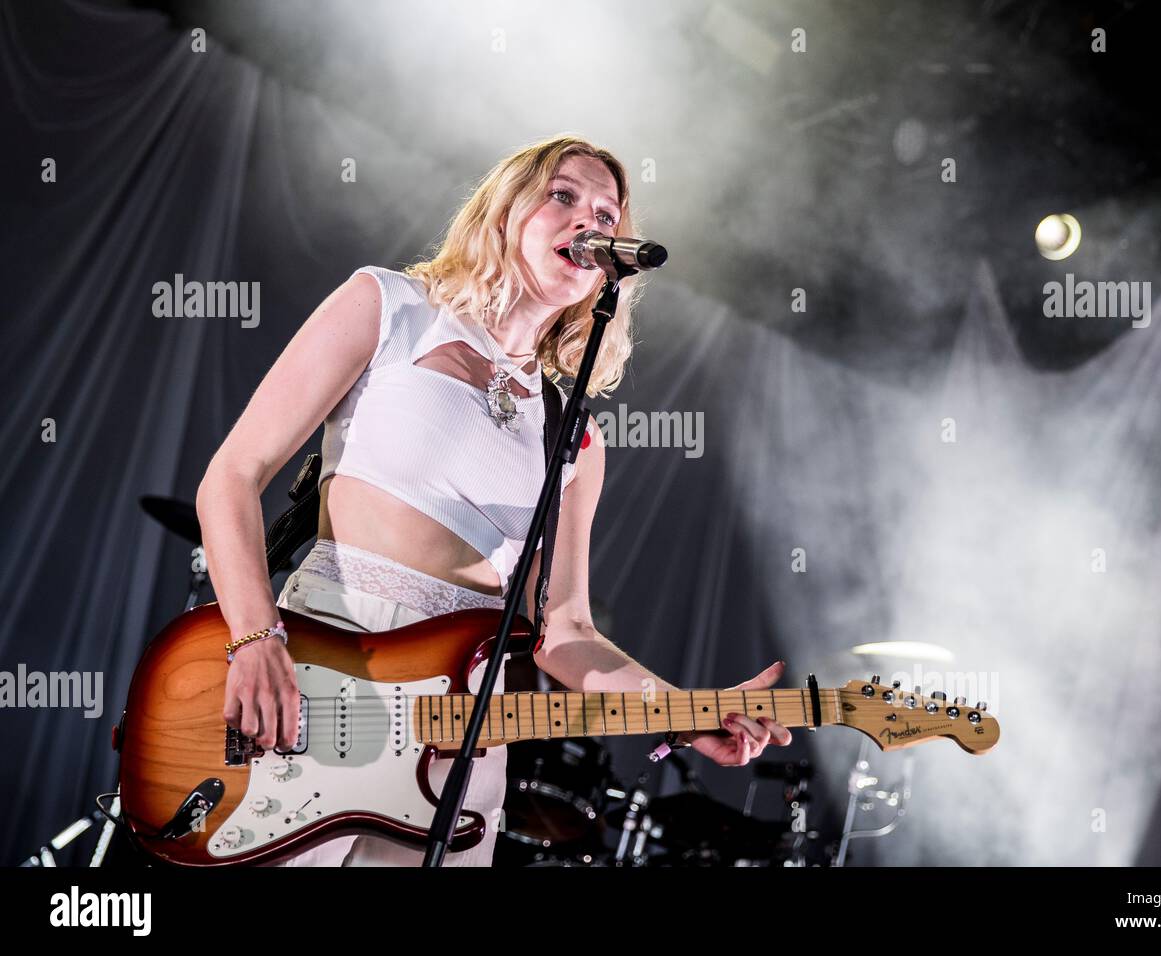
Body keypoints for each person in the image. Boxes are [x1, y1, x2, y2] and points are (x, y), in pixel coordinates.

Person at [195, 134, 793, 867]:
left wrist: (684, 708)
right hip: (325, 669)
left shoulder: (574, 435)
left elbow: (565, 630)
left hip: (462, 725)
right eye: (564, 196)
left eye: (607, 212)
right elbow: (232, 474)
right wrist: (256, 638)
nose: (588, 223)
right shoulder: (389, 306)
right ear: (506, 209)